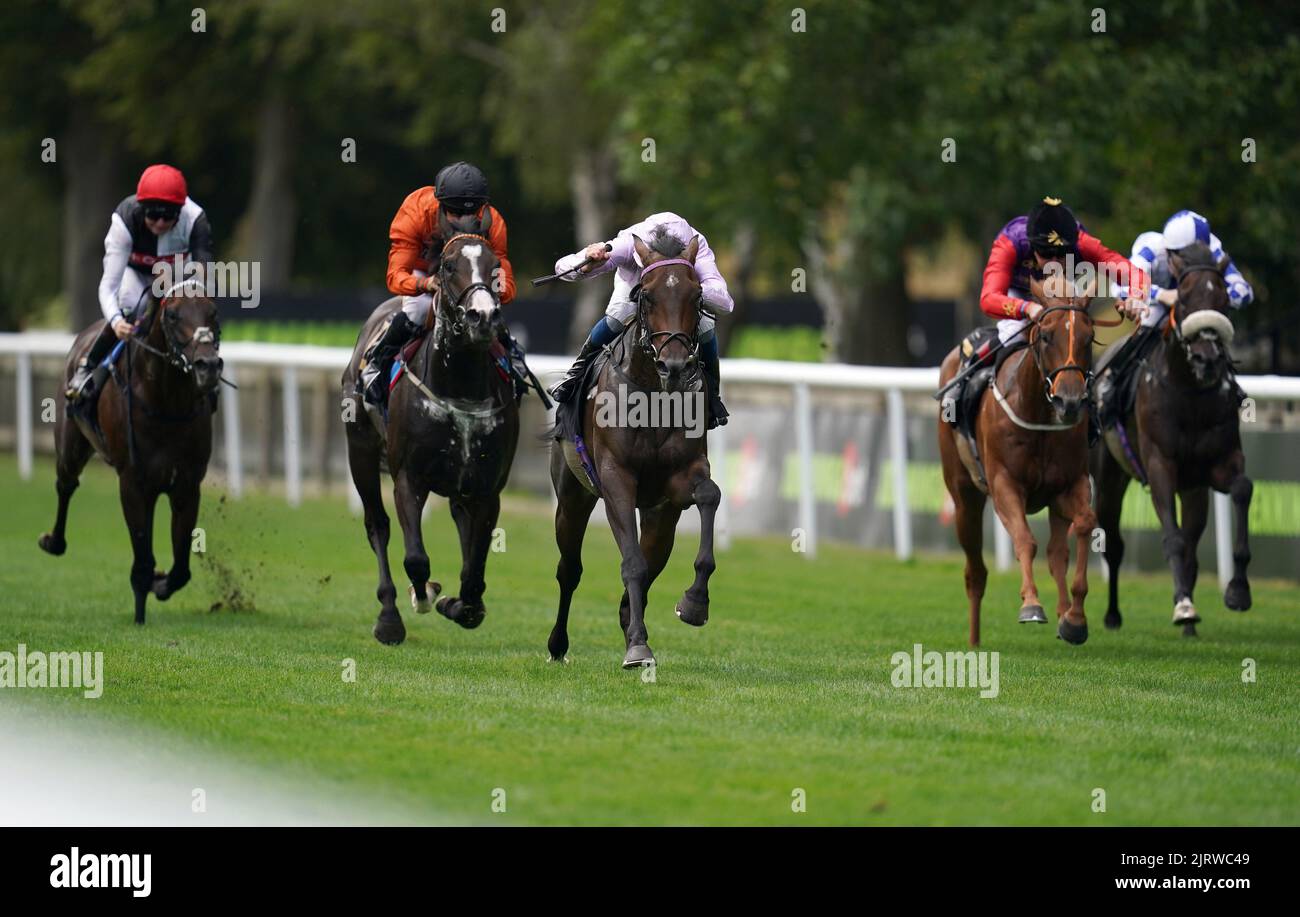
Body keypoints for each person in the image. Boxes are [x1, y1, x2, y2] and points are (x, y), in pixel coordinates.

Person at [550, 212, 734, 428]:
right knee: (618, 316)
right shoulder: (627, 244)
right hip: (638, 287)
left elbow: (725, 303)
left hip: (680, 295)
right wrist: (586, 264)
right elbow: (561, 268)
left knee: (705, 326)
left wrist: (687, 290)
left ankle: (712, 395)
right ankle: (575, 375)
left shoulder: (698, 244)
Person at [362, 161, 515, 405]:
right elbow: (395, 275)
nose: (463, 218)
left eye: (471, 212)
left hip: (467, 279)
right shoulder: (416, 211)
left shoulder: (493, 221)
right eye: (455, 212)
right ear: (440, 205)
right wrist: (426, 285)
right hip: (426, 274)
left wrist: (494, 292)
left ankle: (514, 362)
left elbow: (503, 277)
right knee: (418, 309)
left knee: (490, 311)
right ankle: (376, 364)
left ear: (481, 206)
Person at [67, 164, 212, 402]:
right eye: (153, 215)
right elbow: (108, 287)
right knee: (133, 305)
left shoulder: (196, 220)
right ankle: (88, 366)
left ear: (181, 211)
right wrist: (116, 321)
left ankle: (209, 374)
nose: (160, 223)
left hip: (175, 276)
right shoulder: (125, 219)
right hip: (135, 275)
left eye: (169, 217)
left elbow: (203, 278)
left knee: (196, 312)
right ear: (141, 209)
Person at [1095, 209, 1253, 421]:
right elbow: (1120, 287)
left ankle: (1231, 385)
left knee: (1213, 329)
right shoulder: (1151, 249)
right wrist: (1162, 295)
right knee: (1149, 325)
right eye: (1188, 262)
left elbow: (1244, 292)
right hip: (1157, 305)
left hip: (1194, 308)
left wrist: (1215, 297)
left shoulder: (1213, 249)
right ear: (1171, 254)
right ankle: (1112, 382)